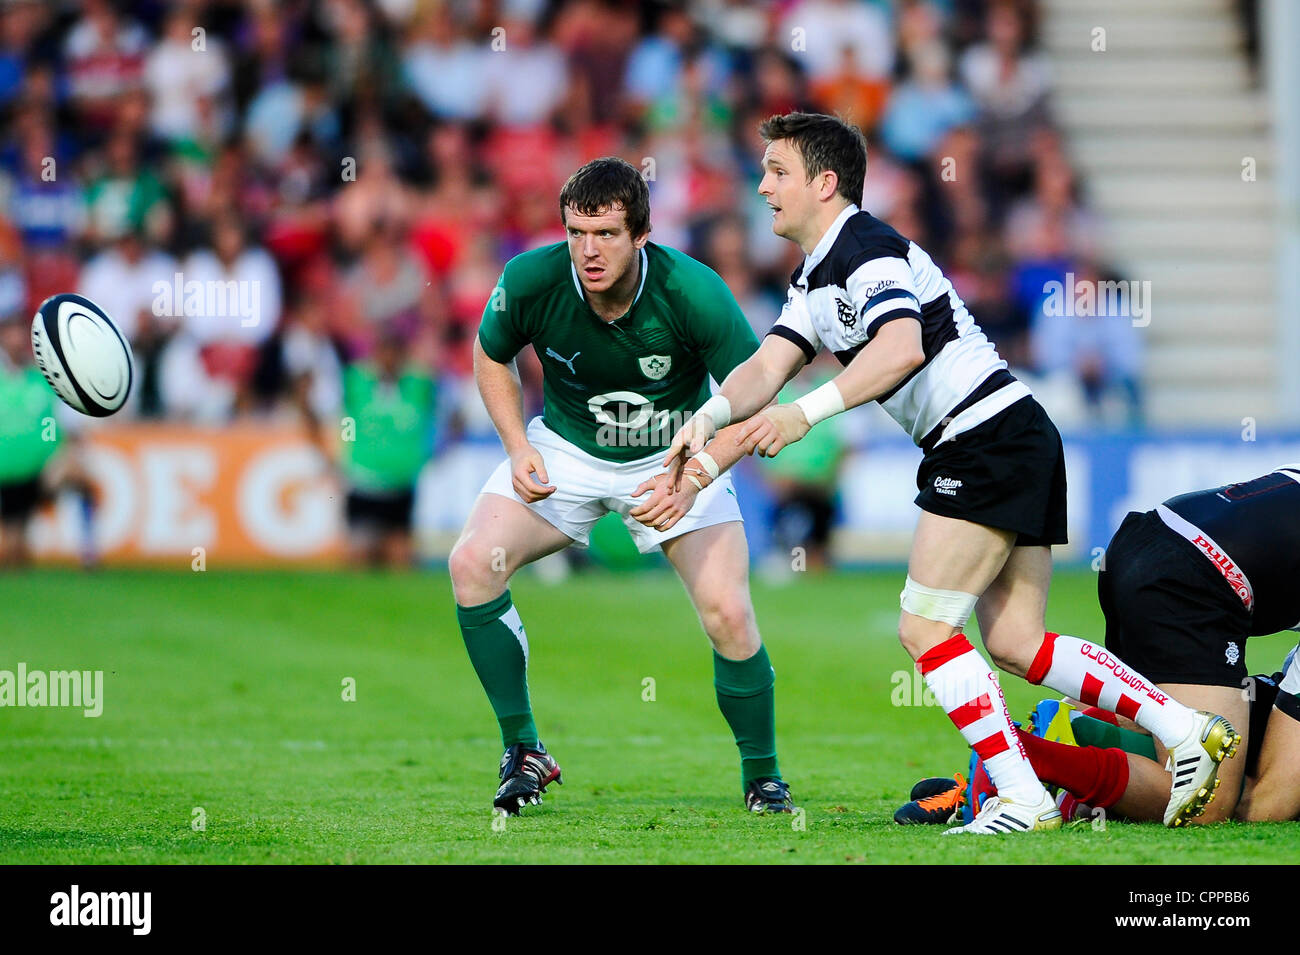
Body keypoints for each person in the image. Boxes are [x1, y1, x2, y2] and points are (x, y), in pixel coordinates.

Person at [651, 111, 1237, 832]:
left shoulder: (865, 249)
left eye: (778, 172)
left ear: (825, 183)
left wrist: (805, 415)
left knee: (925, 628)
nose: (764, 187)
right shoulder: (817, 274)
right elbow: (768, 366)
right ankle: (1186, 730)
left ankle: (1022, 798)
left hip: (983, 437)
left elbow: (899, 349)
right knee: (1018, 639)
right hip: (1011, 432)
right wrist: (706, 420)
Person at [449, 157, 794, 817]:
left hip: (671, 456)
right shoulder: (530, 279)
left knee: (728, 611)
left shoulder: (694, 291)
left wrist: (694, 475)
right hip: (566, 449)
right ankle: (523, 749)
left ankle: (763, 775)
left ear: (641, 235)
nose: (588, 250)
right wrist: (518, 446)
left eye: (606, 233)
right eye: (577, 232)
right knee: (471, 564)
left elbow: (753, 402)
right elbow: (490, 354)